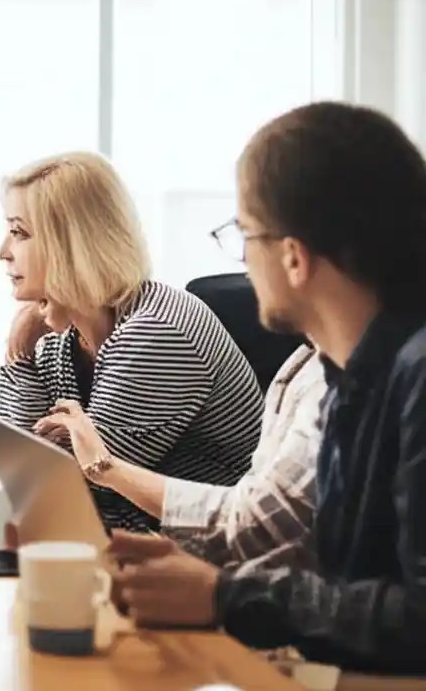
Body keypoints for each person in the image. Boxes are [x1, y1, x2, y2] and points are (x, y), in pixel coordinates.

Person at [109, 101, 426, 675]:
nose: (243, 260)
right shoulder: (345, 377)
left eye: (244, 233)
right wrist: (203, 577)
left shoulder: (416, 380)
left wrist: (224, 597)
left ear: (294, 257)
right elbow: (348, 585)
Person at [0, 152, 262, 532]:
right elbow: (31, 469)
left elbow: (88, 489)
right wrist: (20, 355)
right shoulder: (59, 336)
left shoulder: (157, 330)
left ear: (74, 244)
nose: (3, 251)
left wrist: (11, 487)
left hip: (214, 558)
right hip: (136, 544)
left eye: (20, 232)